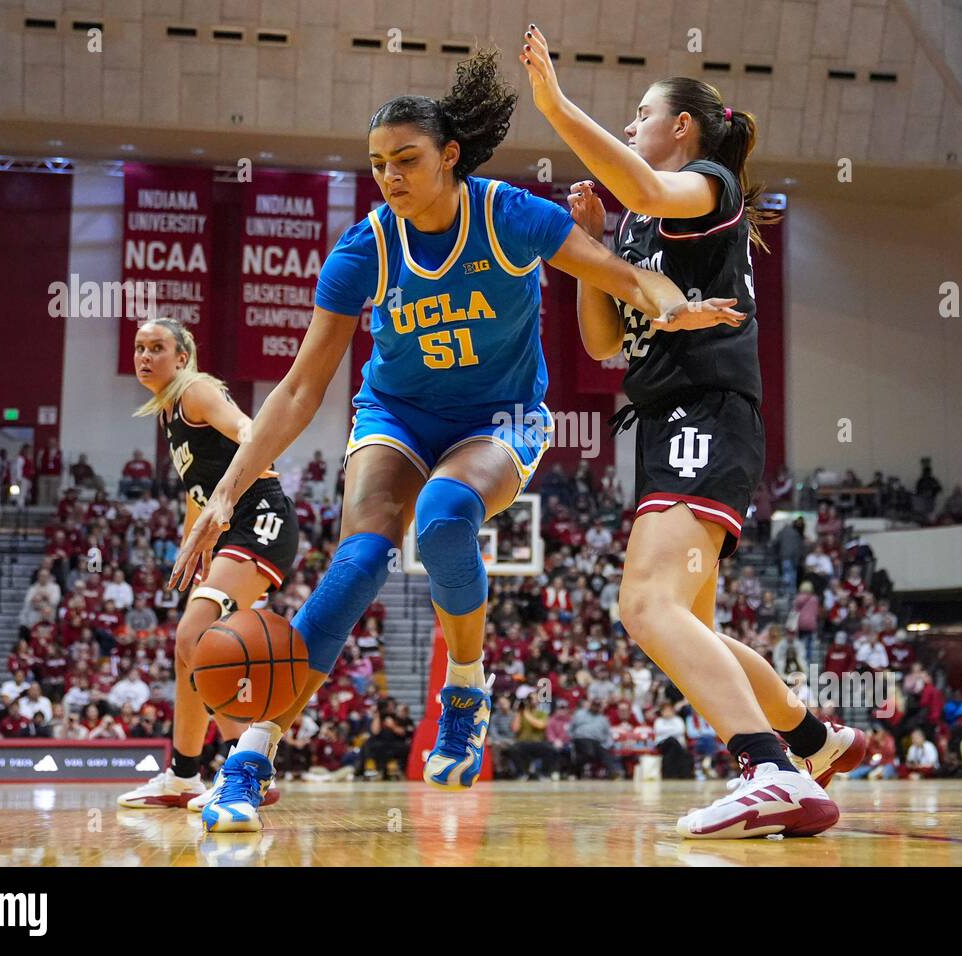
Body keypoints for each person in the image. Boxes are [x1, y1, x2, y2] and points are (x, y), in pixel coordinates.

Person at [169, 46, 740, 832]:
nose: (390, 177)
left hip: (499, 417)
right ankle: (252, 756)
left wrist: (675, 306)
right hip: (396, 416)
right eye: (377, 165)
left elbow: (623, 275)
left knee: (442, 518)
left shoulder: (508, 215)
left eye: (406, 160)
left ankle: (465, 688)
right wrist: (226, 494)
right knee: (360, 559)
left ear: (449, 157)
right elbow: (301, 388)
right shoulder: (363, 250)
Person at [520, 25, 860, 839]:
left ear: (683, 127)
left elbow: (638, 182)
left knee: (644, 604)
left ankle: (768, 769)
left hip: (702, 414)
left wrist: (556, 105)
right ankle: (811, 741)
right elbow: (604, 346)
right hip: (671, 418)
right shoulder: (638, 227)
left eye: (642, 113)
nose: (633, 124)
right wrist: (596, 252)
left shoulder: (709, 184)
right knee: (687, 624)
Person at [114, 317, 298, 816]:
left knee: (193, 637)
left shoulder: (195, 390)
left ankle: (248, 766)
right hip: (228, 530)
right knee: (185, 649)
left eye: (157, 348)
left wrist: (251, 450)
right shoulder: (168, 411)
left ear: (182, 357)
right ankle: (183, 775)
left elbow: (246, 429)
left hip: (260, 517)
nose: (145, 357)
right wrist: (190, 549)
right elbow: (200, 496)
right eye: (139, 348)